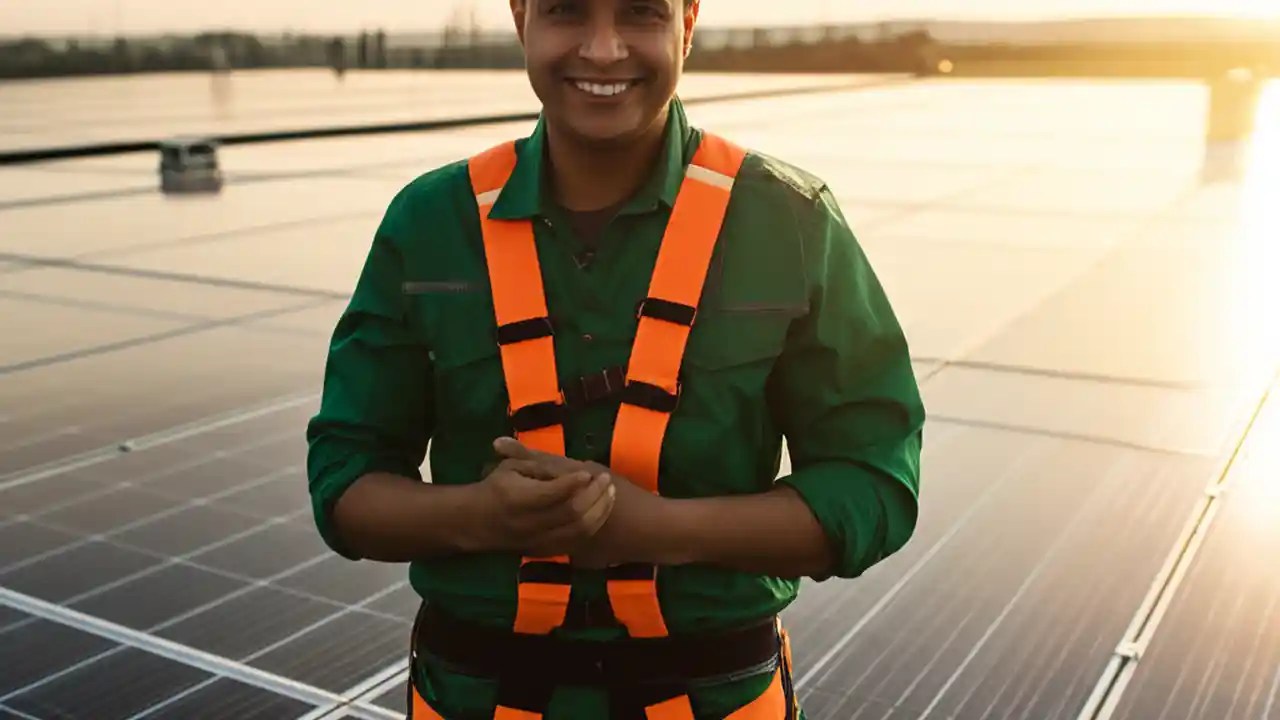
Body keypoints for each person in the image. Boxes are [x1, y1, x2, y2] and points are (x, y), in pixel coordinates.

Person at [305, 0, 925, 717]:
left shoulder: (791, 221)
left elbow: (874, 487)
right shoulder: (428, 223)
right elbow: (344, 481)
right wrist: (482, 517)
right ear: (520, 17)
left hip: (713, 696)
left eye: (640, 13)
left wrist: (658, 530)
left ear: (687, 22)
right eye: (567, 11)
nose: (603, 50)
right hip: (474, 693)